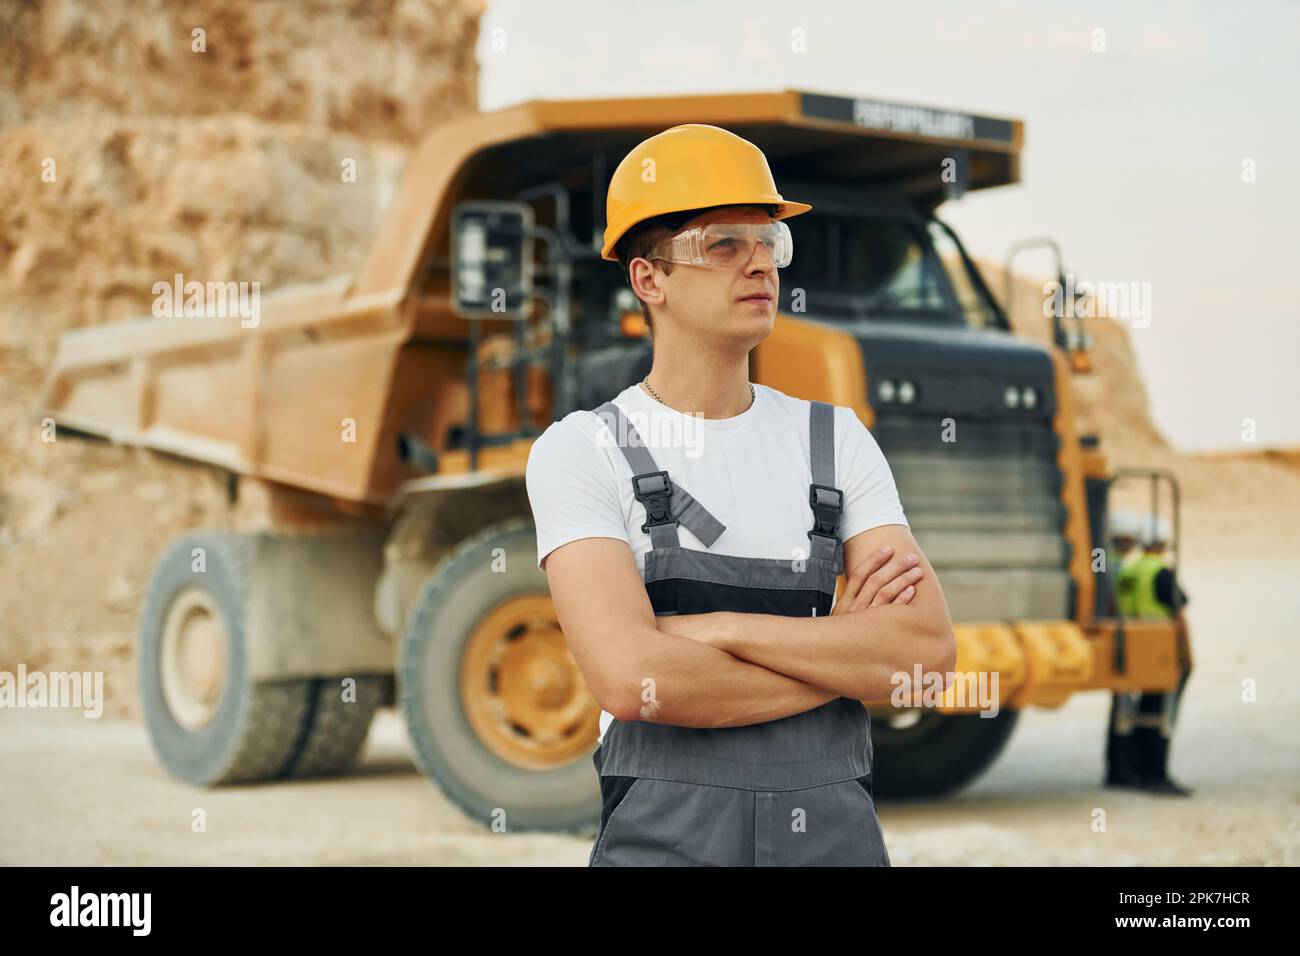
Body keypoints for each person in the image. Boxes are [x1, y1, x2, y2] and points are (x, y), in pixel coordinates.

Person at [525, 124, 956, 866]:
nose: (759, 263)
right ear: (648, 278)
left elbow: (921, 655)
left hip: (833, 840)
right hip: (665, 841)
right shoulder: (582, 450)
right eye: (724, 244)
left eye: (769, 243)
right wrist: (839, 660)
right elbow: (634, 680)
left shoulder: (836, 438)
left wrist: (718, 629)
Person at [1104, 513, 1194, 796]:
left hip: (1130, 648)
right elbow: (1178, 616)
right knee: (1159, 713)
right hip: (1160, 652)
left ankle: (1122, 769)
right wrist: (1187, 654)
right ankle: (1154, 773)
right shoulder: (1159, 571)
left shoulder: (1128, 571)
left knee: (1126, 711)